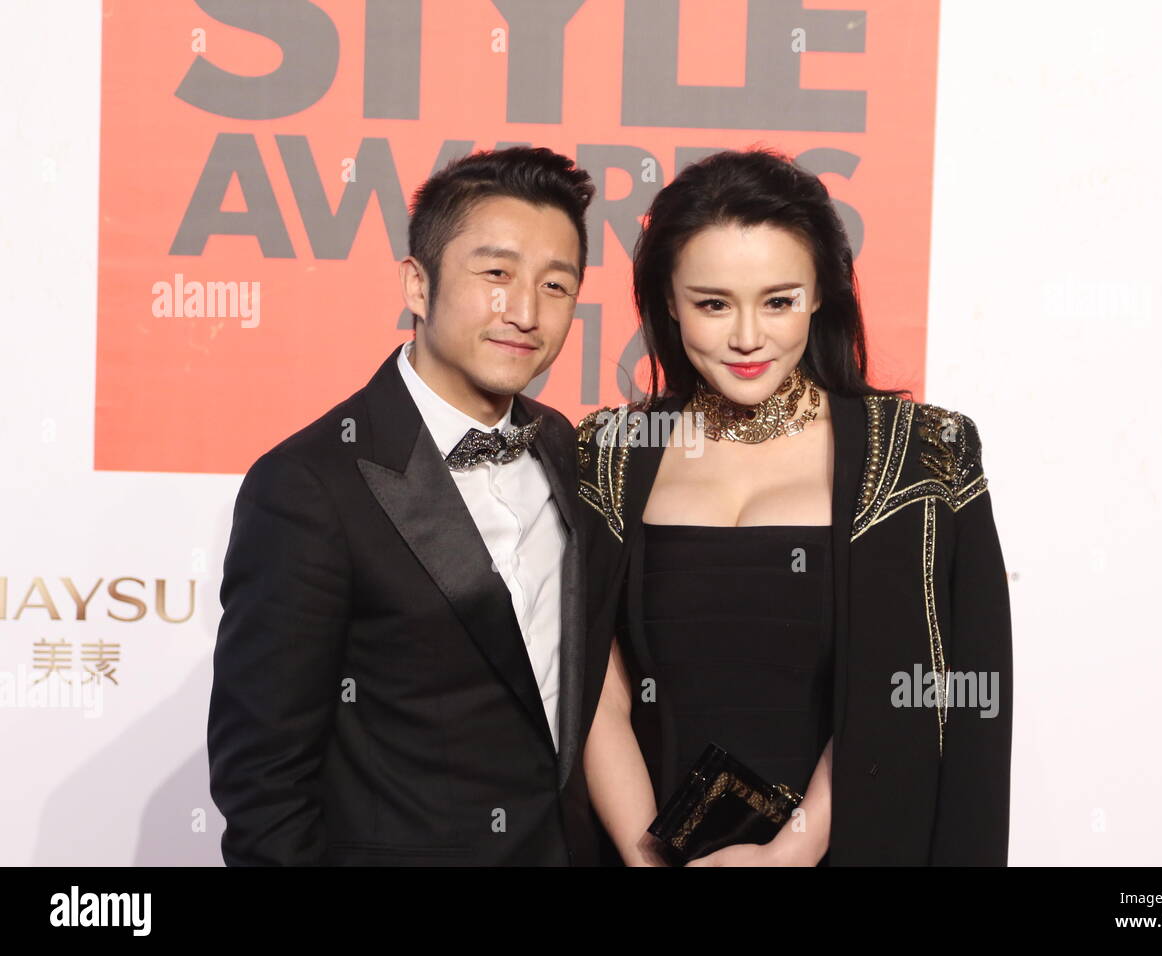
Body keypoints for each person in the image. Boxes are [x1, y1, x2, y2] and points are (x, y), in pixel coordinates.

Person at [579, 147, 1013, 866]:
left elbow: (909, 691)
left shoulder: (919, 454)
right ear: (666, 302)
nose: (748, 337)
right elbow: (595, 686)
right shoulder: (610, 452)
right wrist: (645, 854)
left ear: (821, 295)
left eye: (778, 300)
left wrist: (787, 854)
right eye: (713, 303)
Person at [207, 146, 609, 865]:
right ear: (417, 286)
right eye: (496, 274)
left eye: (557, 286)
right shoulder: (307, 486)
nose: (525, 311)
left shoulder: (565, 449)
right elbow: (262, 780)